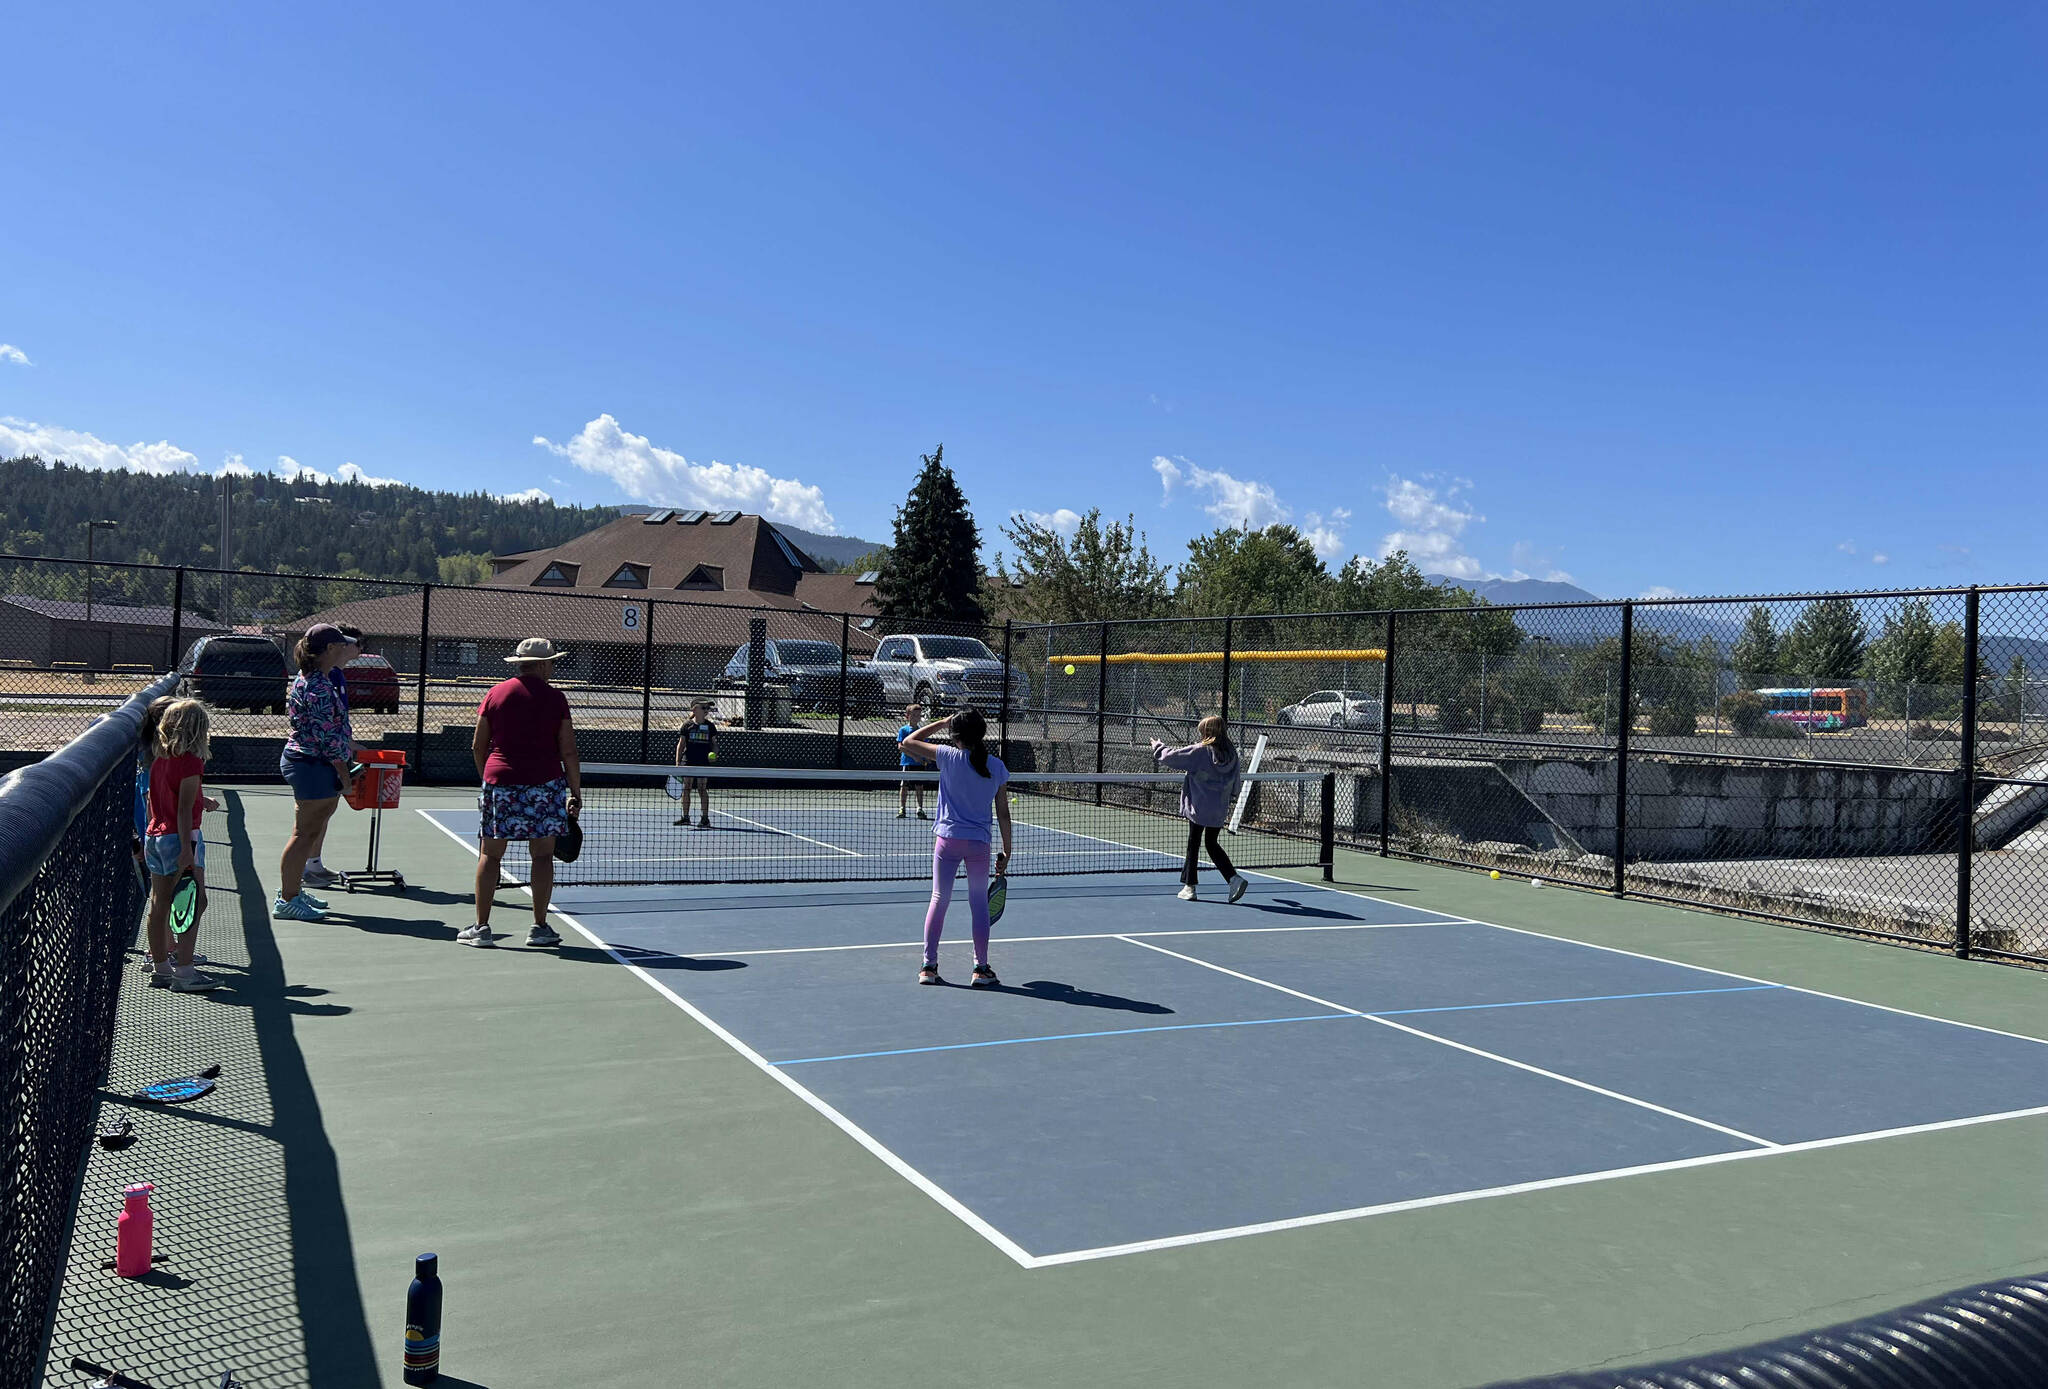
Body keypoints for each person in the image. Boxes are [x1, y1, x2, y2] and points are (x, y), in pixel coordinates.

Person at [464, 637, 582, 949]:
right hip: (545, 785)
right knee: (542, 856)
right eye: (552, 662)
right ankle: (539, 928)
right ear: (542, 664)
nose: (553, 667)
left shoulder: (495, 694)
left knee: (490, 855)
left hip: (500, 783)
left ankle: (481, 928)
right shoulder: (556, 699)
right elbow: (568, 751)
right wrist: (575, 791)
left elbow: (479, 746)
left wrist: (489, 782)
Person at [897, 708, 1013, 988]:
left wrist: (940, 722)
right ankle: (981, 969)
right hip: (978, 845)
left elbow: (908, 742)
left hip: (947, 842)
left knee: (939, 898)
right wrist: (1007, 850)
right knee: (978, 905)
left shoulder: (947, 756)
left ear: (954, 736)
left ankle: (928, 966)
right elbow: (1003, 813)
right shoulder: (996, 767)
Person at [276, 623, 362, 921]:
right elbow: (330, 740)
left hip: (314, 763)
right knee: (303, 834)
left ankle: (293, 893)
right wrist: (346, 778)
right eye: (341, 645)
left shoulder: (316, 680)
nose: (347, 649)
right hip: (311, 764)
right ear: (329, 650)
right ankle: (287, 899)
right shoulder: (319, 687)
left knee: (309, 830)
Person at [142, 699, 221, 991]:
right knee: (193, 903)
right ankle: (185, 972)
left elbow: (156, 801)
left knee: (159, 903)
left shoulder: (158, 759)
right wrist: (187, 848)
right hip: (180, 838)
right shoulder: (191, 762)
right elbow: (185, 808)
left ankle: (161, 968)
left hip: (156, 837)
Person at [1151, 715, 1249, 903]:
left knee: (1193, 844)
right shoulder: (1231, 754)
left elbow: (1172, 757)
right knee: (1211, 843)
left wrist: (1158, 746)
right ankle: (1233, 878)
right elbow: (1236, 780)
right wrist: (1233, 796)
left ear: (1207, 732)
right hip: (1218, 807)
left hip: (1199, 807)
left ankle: (1190, 887)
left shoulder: (1200, 751)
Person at [301, 625, 364, 889]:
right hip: (319, 759)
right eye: (353, 644)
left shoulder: (334, 676)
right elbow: (325, 730)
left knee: (324, 813)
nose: (358, 649)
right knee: (310, 819)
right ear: (332, 648)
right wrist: (345, 758)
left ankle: (313, 864)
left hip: (330, 755)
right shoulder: (322, 681)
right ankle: (300, 876)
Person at [673, 700, 716, 828]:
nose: (707, 710)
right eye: (704, 707)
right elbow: (681, 745)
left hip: (703, 762)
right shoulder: (687, 725)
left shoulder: (710, 726)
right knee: (687, 788)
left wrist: (715, 754)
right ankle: (685, 817)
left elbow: (714, 744)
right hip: (688, 762)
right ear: (695, 709)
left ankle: (705, 819)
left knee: (702, 789)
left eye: (708, 708)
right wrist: (677, 762)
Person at [895, 702, 930, 820]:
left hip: (919, 764)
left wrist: (926, 758)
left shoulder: (922, 732)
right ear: (907, 716)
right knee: (904, 786)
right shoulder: (903, 730)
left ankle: (919, 808)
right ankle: (902, 808)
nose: (916, 718)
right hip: (907, 763)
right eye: (914, 715)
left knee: (919, 786)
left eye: (918, 715)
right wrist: (914, 756)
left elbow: (925, 747)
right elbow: (901, 747)